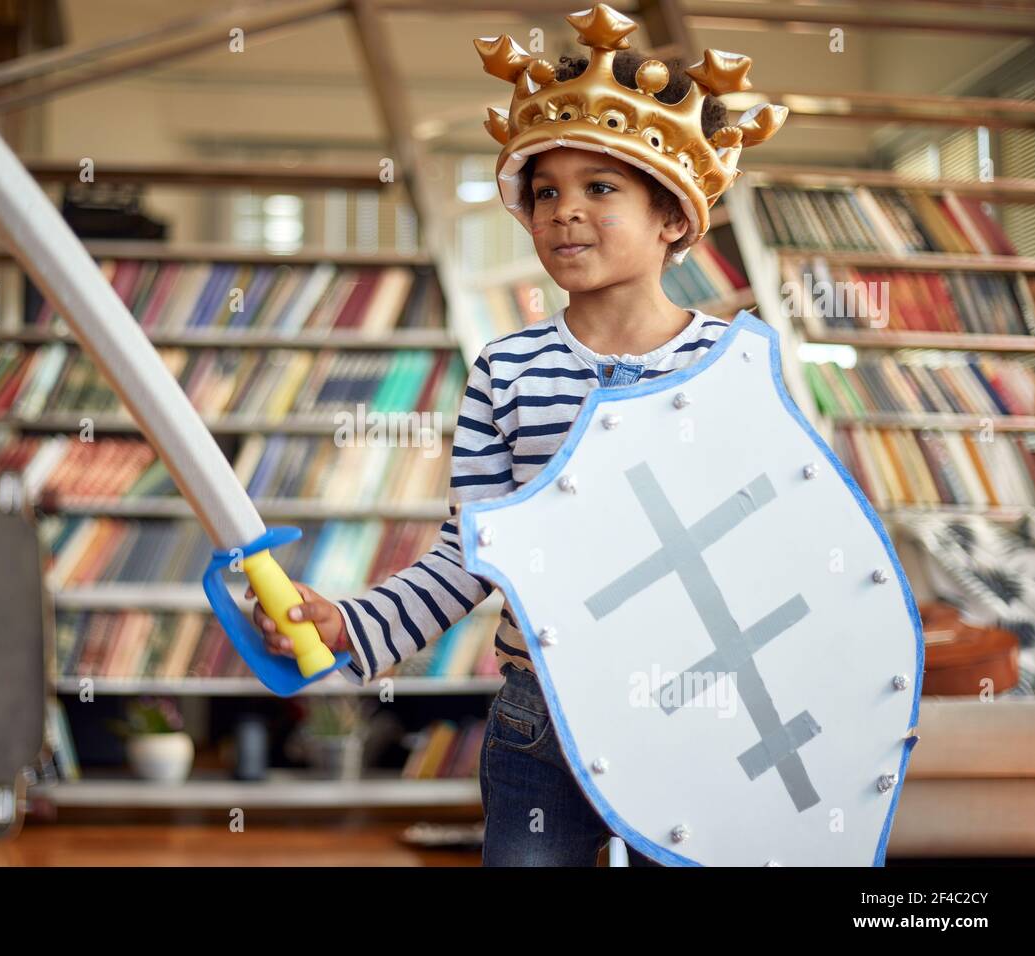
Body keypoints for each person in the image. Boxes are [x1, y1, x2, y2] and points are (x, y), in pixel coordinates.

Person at [245, 5, 787, 866]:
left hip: (702, 712)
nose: (564, 212)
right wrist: (350, 622)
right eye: (546, 193)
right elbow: (474, 550)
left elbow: (782, 538)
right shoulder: (506, 368)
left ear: (674, 218)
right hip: (541, 718)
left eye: (600, 188)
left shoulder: (741, 362)